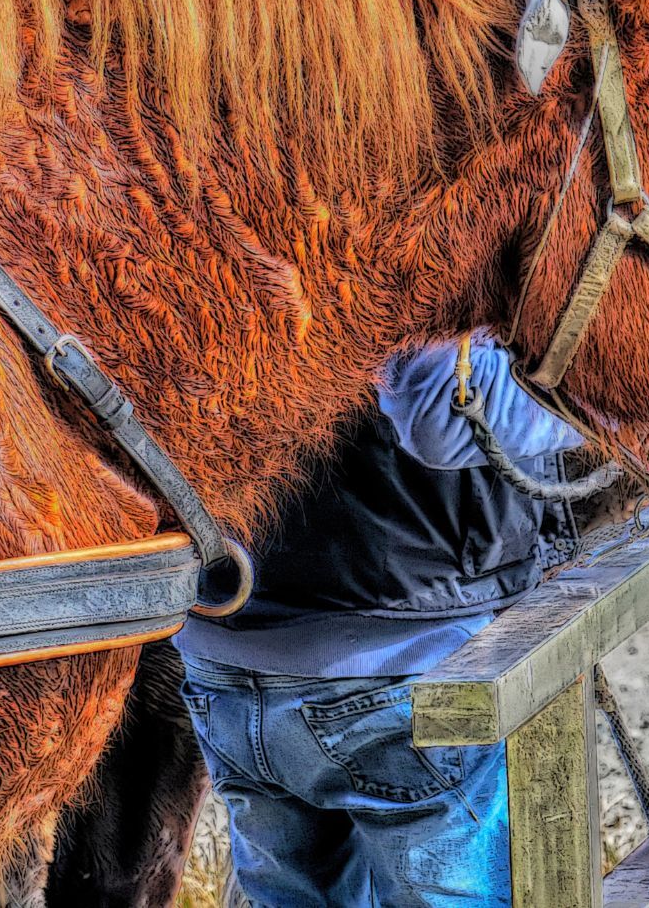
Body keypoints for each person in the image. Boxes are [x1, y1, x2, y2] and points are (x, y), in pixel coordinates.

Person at [174, 334, 581, 908]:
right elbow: (440, 408)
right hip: (394, 658)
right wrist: (607, 399)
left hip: (223, 659)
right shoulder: (413, 244)